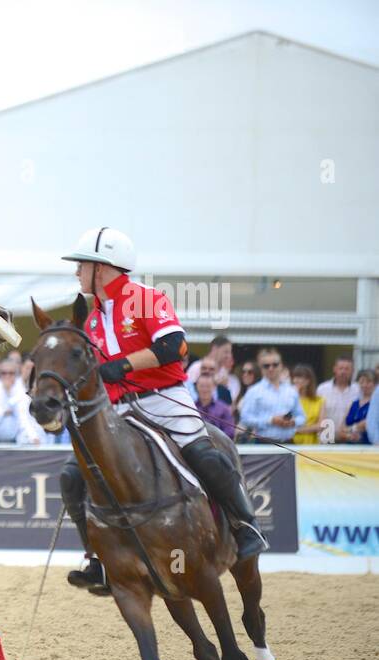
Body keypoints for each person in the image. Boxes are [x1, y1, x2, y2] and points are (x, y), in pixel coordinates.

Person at [57, 226, 267, 595]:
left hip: (164, 397)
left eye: (81, 265)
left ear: (102, 267)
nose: (76, 272)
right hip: (117, 409)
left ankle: (245, 526)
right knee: (73, 476)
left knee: (202, 452)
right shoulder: (90, 318)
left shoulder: (145, 298)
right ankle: (97, 559)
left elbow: (175, 347)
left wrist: (122, 366)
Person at [237, 348, 306, 445]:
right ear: (261, 368)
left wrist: (293, 422)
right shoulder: (254, 391)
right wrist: (270, 420)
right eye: (266, 366)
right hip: (264, 444)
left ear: (281, 366)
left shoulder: (291, 391)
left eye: (275, 364)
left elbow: (302, 417)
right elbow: (245, 419)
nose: (271, 368)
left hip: (289, 444)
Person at [0, 354, 42, 444]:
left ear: (16, 375)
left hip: (15, 441)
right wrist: (4, 412)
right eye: (4, 373)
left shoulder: (22, 392)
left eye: (11, 373)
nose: (7, 376)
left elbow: (24, 418)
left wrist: (33, 437)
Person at [187, 334, 239, 406]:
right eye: (226, 352)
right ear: (214, 349)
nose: (229, 356)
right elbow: (188, 392)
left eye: (230, 352)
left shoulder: (224, 371)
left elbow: (229, 402)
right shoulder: (196, 367)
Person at [316, 356, 359, 443]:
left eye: (347, 369)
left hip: (350, 441)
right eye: (341, 368)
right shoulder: (322, 389)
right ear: (334, 369)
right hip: (326, 440)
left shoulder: (358, 390)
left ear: (353, 371)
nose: (343, 371)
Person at [195, 371, 235, 439]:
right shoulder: (191, 408)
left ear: (214, 387)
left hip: (218, 447)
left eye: (208, 386)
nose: (204, 389)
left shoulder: (223, 408)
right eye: (201, 386)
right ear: (196, 387)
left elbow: (230, 431)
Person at [291, 364, 325, 444]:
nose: (295, 380)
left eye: (299, 377)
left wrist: (298, 430)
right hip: (291, 444)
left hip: (312, 445)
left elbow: (321, 425)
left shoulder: (319, 400)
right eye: (294, 377)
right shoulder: (289, 399)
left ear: (308, 381)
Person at [341, 369, 374, 444]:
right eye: (362, 382)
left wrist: (350, 429)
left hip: (370, 448)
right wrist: (350, 436)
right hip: (351, 448)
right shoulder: (353, 403)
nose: (365, 385)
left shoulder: (376, 403)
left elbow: (367, 423)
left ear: (375, 384)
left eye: (368, 382)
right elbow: (341, 430)